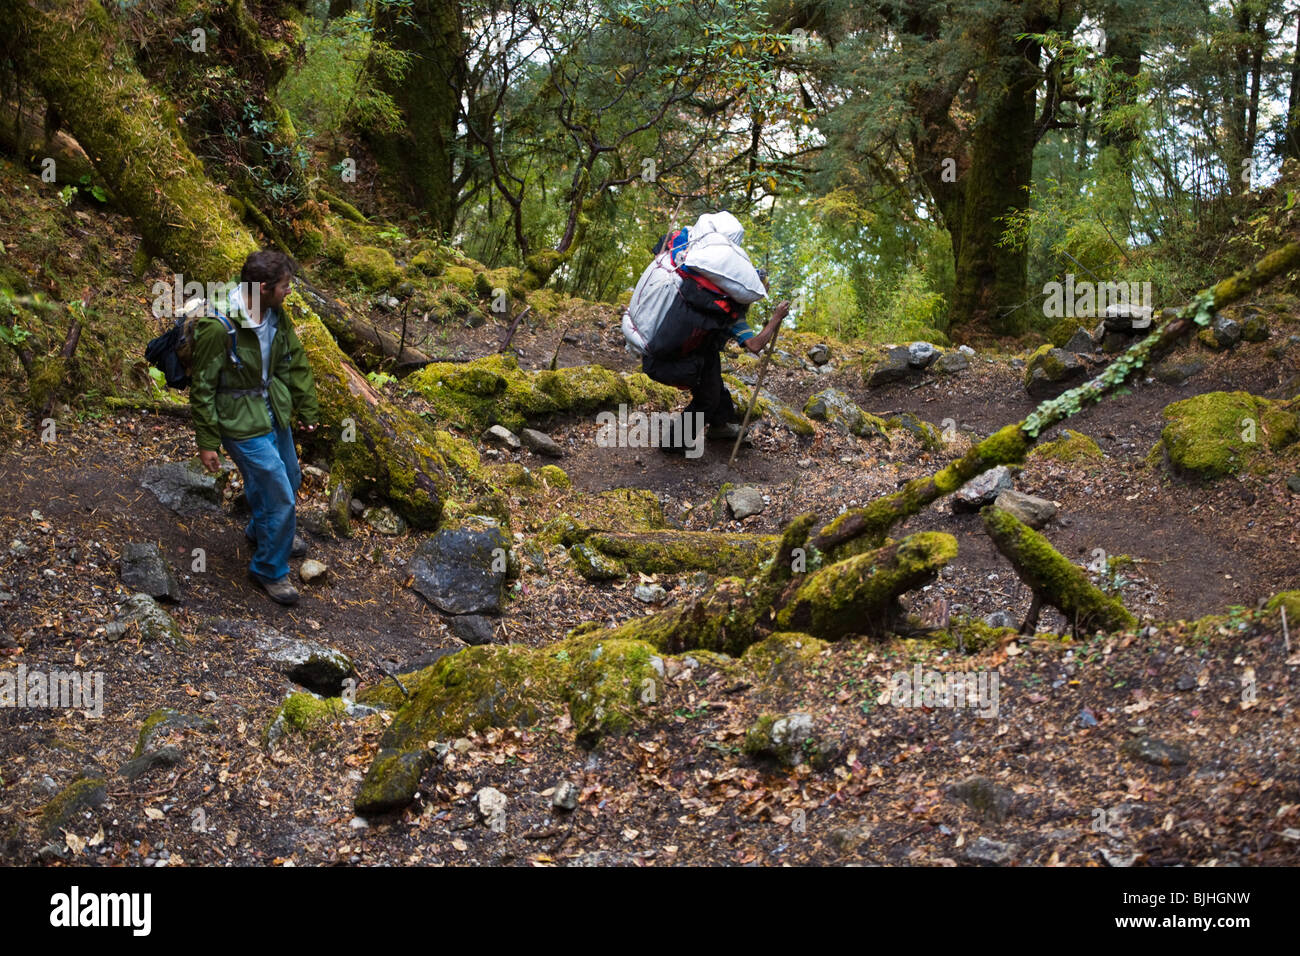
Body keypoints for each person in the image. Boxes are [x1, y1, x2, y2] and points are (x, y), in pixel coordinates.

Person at [190, 250, 320, 605]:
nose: (289, 292)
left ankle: (264, 533)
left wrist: (306, 406)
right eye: (285, 286)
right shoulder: (218, 326)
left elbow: (294, 360)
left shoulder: (276, 313)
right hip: (238, 418)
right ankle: (269, 568)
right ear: (262, 288)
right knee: (278, 492)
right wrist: (208, 442)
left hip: (270, 407)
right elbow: (202, 387)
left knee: (290, 478)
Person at [642, 265, 789, 454]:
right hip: (695, 354)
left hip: (701, 350)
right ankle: (673, 442)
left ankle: (720, 427)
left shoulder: (714, 295)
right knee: (707, 400)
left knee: (716, 389)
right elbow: (754, 345)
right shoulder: (728, 308)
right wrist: (776, 318)